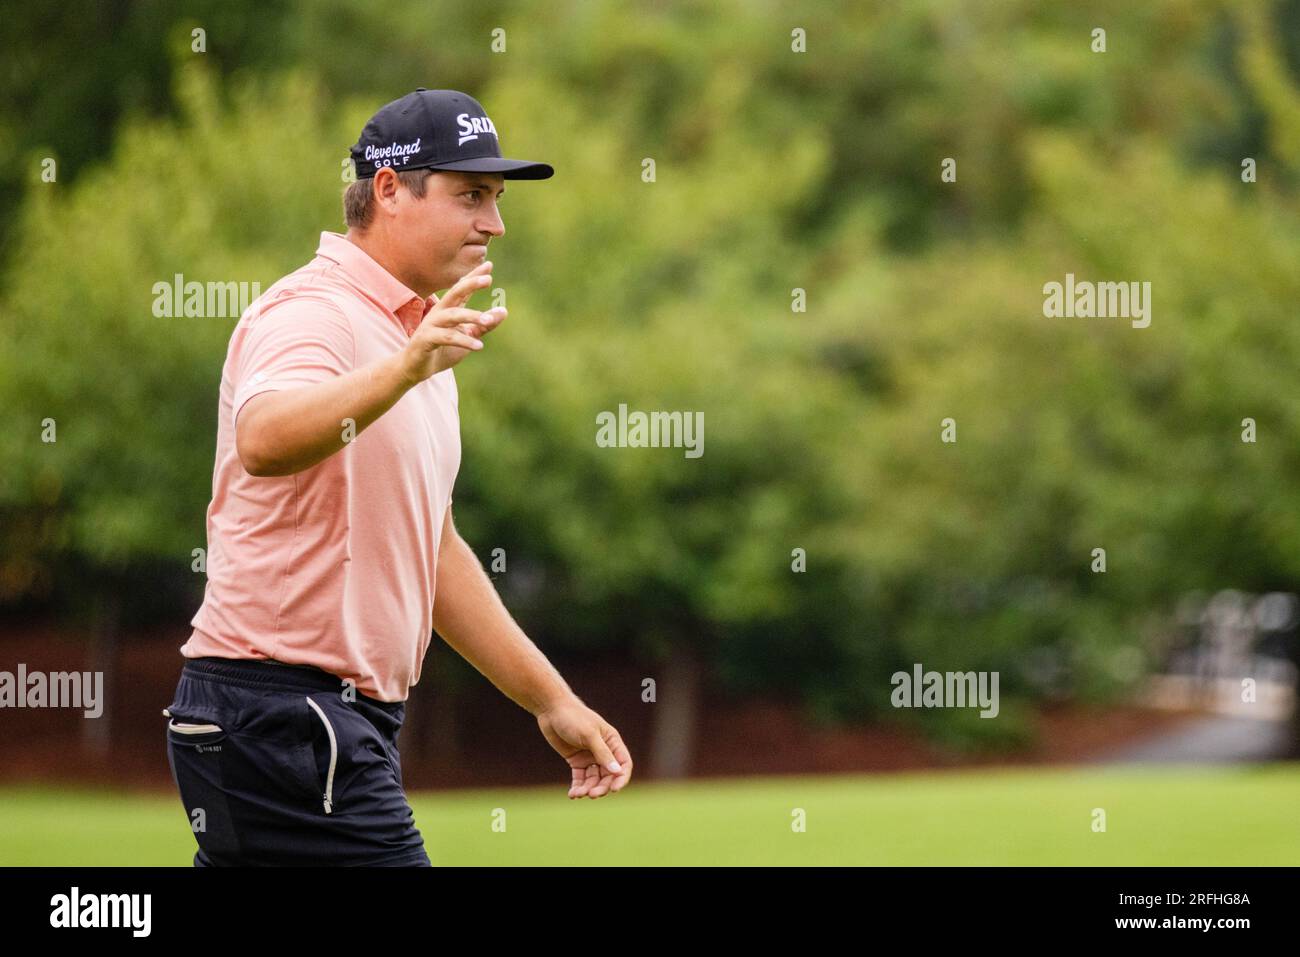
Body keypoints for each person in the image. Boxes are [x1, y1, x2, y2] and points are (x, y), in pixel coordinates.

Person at [162, 89, 632, 867]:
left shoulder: (414, 336)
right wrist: (406, 368)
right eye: (471, 195)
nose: (495, 223)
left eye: (497, 198)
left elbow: (433, 550)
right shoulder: (316, 311)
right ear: (388, 189)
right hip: (286, 714)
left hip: (307, 720)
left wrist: (551, 701)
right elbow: (264, 437)